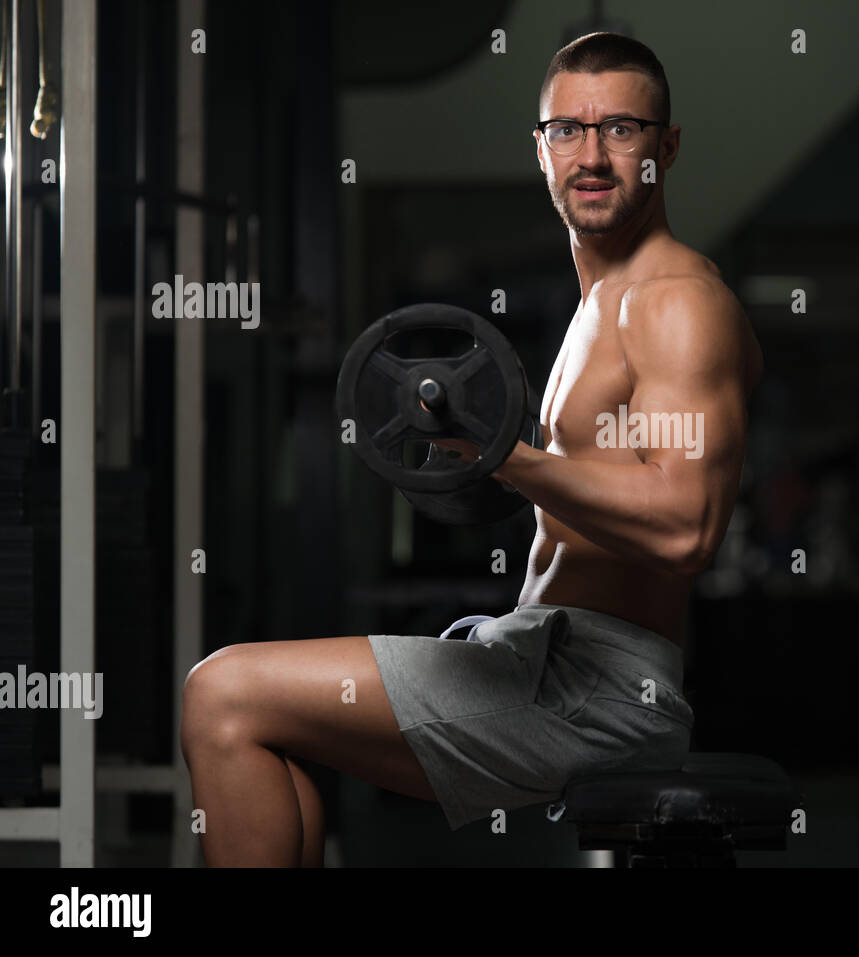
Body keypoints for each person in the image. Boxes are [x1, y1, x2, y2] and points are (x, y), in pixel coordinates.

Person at [180, 31, 762, 866]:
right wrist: (492, 464)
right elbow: (584, 485)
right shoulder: (603, 301)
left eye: (621, 130)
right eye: (568, 130)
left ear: (665, 147)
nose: (591, 155)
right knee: (265, 728)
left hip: (595, 692)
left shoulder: (674, 303)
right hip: (539, 656)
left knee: (220, 694)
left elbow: (685, 526)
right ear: (540, 149)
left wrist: (500, 455)